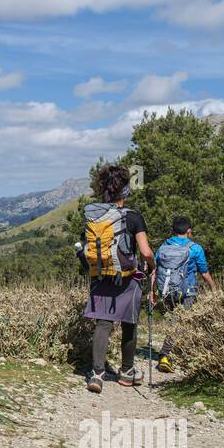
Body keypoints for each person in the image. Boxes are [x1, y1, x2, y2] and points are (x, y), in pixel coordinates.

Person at [82, 164, 154, 393]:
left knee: (103, 323)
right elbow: (145, 252)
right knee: (129, 323)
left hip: (101, 274)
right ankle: (126, 372)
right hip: (127, 277)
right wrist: (152, 266)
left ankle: (97, 374)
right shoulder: (133, 216)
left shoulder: (92, 216)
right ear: (125, 190)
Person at [152, 216, 214, 373]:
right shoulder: (195, 248)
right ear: (189, 231)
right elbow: (204, 273)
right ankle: (164, 355)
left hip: (167, 291)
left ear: (172, 230)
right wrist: (214, 288)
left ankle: (180, 352)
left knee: (176, 321)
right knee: (180, 322)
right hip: (188, 291)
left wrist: (152, 291)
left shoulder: (163, 246)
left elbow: (155, 270)